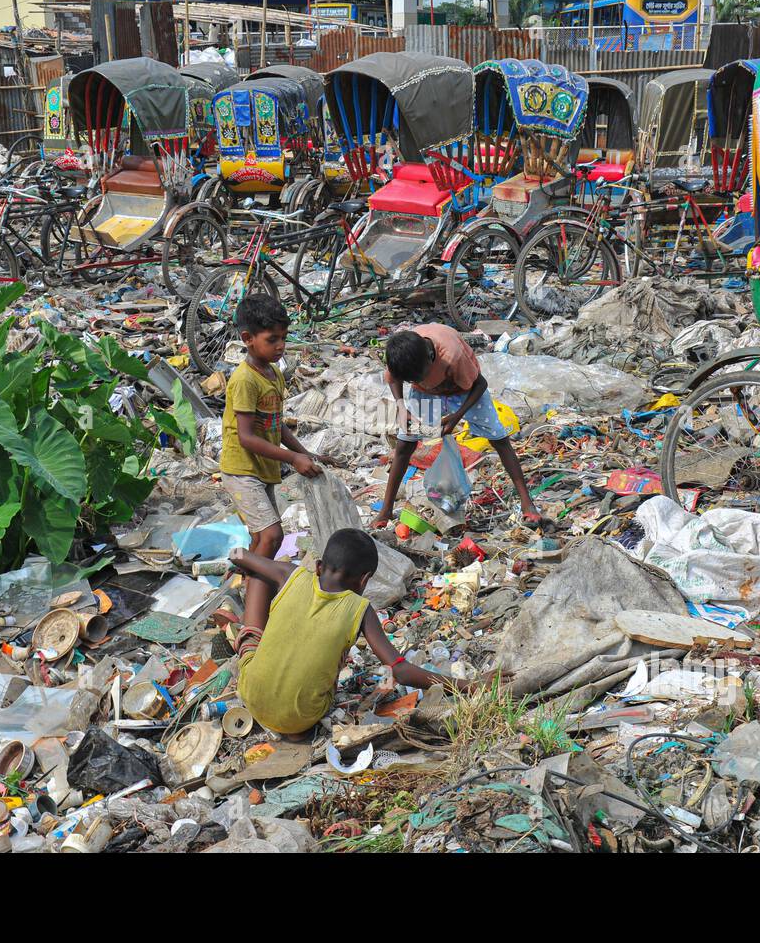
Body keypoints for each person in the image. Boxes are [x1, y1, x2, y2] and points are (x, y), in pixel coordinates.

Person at [231, 528, 476, 737]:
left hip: (250, 696)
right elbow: (400, 670)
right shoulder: (361, 610)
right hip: (301, 718)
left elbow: (238, 555)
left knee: (258, 575)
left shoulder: (289, 574)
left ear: (318, 566)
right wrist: (467, 685)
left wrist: (246, 563)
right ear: (364, 580)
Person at [219, 293, 333, 608]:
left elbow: (276, 424)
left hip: (261, 468)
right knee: (272, 536)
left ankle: (243, 589)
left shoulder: (273, 372)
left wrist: (306, 452)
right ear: (248, 339)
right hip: (241, 468)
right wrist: (293, 459)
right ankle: (255, 605)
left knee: (260, 538)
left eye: (283, 338)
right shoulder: (245, 380)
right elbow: (246, 437)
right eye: (273, 339)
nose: (281, 345)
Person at [371, 323, 541, 529]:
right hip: (426, 396)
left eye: (420, 377)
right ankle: (386, 510)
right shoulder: (401, 356)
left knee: (500, 440)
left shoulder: (452, 354)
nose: (417, 380)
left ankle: (527, 502)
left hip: (463, 392)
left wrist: (457, 416)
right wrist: (400, 405)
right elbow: (394, 378)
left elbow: (480, 384)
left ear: (431, 359)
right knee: (404, 445)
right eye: (411, 380)